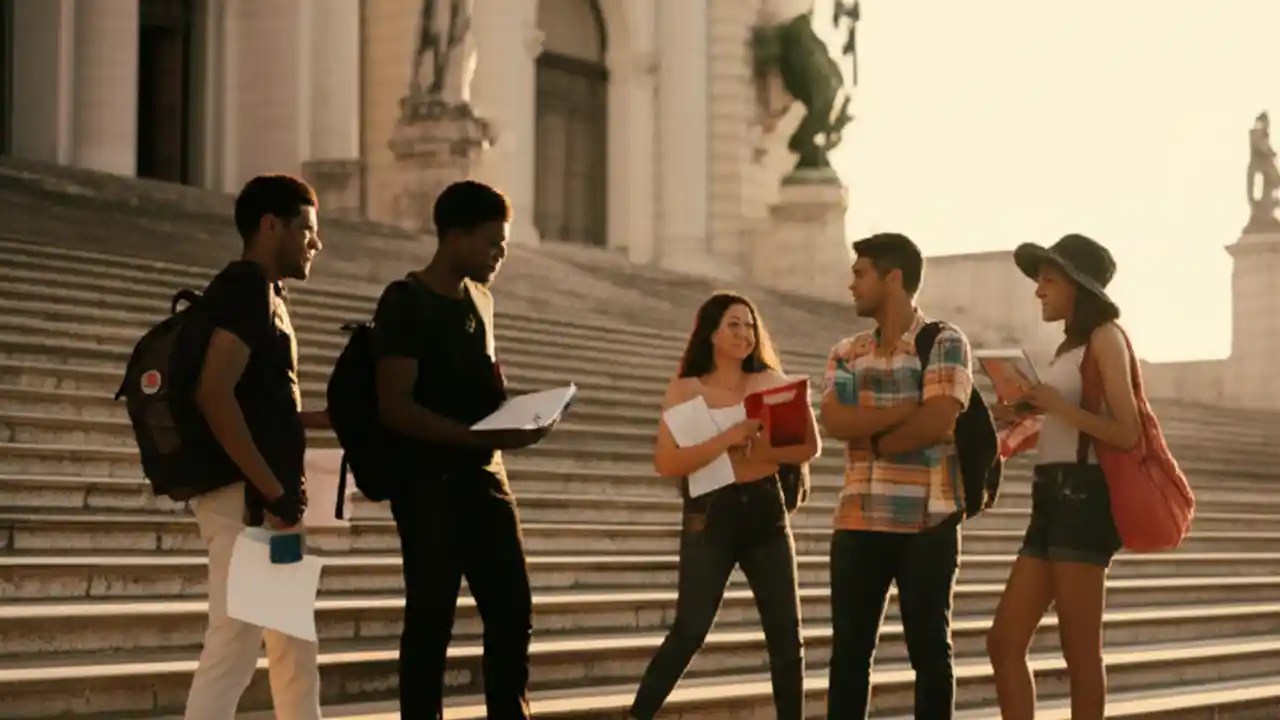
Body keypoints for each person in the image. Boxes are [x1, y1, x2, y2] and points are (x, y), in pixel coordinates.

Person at [373, 180, 557, 719]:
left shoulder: (482, 300)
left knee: (512, 611)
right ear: (455, 236)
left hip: (487, 481)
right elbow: (395, 406)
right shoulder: (406, 302)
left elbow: (484, 391)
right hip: (428, 486)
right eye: (492, 242)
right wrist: (477, 438)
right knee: (431, 620)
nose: (500, 253)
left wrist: (522, 420)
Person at [630, 291, 820, 720]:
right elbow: (666, 461)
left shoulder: (773, 382)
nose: (744, 333)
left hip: (765, 513)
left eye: (750, 325)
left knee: (787, 638)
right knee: (689, 629)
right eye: (733, 324)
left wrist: (757, 452)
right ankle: (637, 715)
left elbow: (808, 447)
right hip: (709, 514)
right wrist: (727, 440)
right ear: (711, 332)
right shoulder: (685, 389)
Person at [183, 174, 329, 720]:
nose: (316, 243)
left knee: (292, 639)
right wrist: (271, 491)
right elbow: (214, 395)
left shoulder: (267, 293)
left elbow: (256, 404)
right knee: (235, 644)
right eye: (307, 230)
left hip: (273, 505)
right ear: (270, 226)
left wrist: (319, 420)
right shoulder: (245, 289)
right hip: (250, 503)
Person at [986, 234, 1140, 720]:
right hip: (1049, 499)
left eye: (1048, 280)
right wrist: (1024, 414)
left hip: (1082, 500)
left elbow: (1128, 431)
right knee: (1004, 641)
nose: (1038, 290)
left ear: (1079, 286)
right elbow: (1065, 419)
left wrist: (1055, 406)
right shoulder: (1068, 346)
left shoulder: (1106, 338)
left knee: (1079, 653)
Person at [819, 232, 973, 719]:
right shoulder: (846, 352)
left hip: (927, 523)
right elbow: (835, 421)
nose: (851, 285)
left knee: (929, 654)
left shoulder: (944, 341)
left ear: (894, 278)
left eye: (860, 273)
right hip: (858, 521)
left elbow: (941, 418)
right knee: (848, 657)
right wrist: (910, 405)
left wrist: (877, 439)